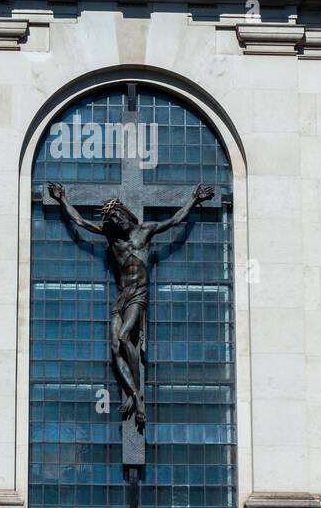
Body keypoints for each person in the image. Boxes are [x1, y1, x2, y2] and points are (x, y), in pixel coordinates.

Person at [48, 182, 214, 433]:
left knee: (125, 337)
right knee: (116, 347)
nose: (116, 221)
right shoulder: (111, 237)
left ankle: (137, 398)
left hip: (138, 294)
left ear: (125, 213)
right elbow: (81, 223)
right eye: (112, 219)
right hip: (121, 297)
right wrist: (62, 199)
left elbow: (175, 220)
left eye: (117, 215)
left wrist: (194, 199)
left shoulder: (145, 230)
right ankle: (133, 392)